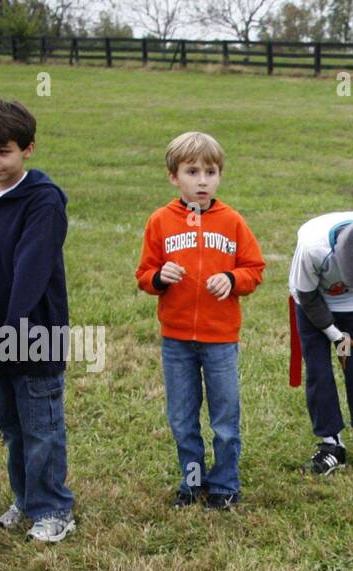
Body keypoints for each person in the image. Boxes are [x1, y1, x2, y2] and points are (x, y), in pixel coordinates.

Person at [0, 97, 75, 542]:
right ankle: (25, 498)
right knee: (11, 426)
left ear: (27, 149)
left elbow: (33, 268)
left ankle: (53, 509)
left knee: (42, 425)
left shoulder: (43, 200)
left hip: (33, 332)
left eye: (3, 150)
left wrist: (13, 327)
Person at [136, 131, 265, 510]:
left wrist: (232, 279)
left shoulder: (232, 222)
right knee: (182, 417)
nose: (203, 180)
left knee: (225, 417)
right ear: (174, 177)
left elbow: (254, 268)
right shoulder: (160, 222)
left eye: (211, 172)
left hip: (220, 339)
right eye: (192, 171)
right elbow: (145, 273)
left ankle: (225, 485)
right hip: (176, 340)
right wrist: (160, 278)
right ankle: (192, 481)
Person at [287, 210, 353, 481]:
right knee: (318, 371)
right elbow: (307, 296)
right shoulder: (313, 248)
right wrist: (335, 335)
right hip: (313, 303)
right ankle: (331, 443)